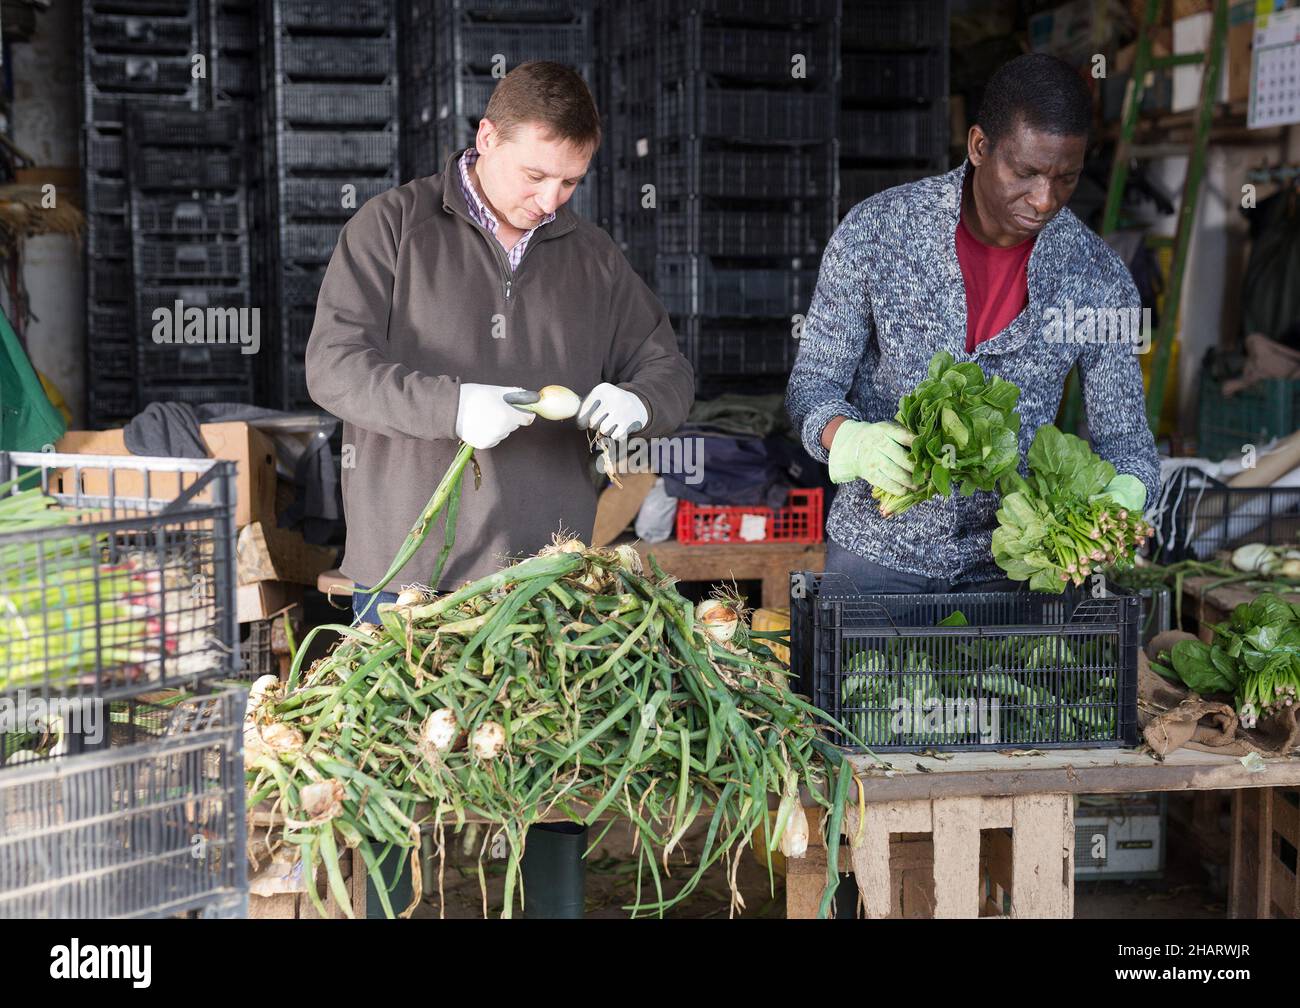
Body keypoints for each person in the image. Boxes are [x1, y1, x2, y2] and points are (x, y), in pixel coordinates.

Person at [305, 61, 695, 916]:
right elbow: (332, 369)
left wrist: (640, 402)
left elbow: (668, 368)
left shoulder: (591, 259)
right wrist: (449, 405)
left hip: (544, 584)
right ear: (485, 140)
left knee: (553, 793)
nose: (552, 199)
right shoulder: (395, 228)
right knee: (391, 789)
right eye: (535, 175)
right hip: (406, 584)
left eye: (572, 181)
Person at [786, 53, 1159, 595]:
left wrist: (1121, 496)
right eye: (1026, 172)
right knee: (861, 682)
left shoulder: (1096, 277)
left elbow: (1127, 443)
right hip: (878, 557)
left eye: (1066, 178)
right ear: (980, 146)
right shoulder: (879, 232)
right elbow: (811, 386)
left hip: (1014, 572)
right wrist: (848, 439)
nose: (1043, 199)